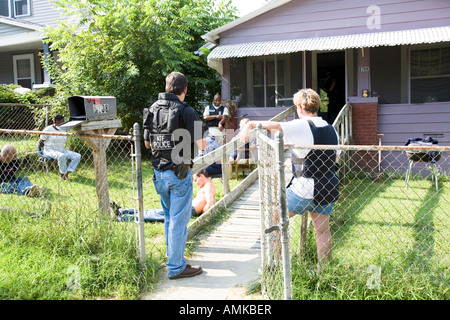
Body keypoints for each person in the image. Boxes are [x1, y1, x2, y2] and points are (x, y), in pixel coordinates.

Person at [240, 88, 340, 271]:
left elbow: (276, 127)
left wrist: (249, 123)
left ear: (300, 107)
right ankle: (323, 272)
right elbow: (334, 158)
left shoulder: (302, 125)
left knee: (274, 217)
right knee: (323, 230)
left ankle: (276, 265)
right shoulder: (330, 127)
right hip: (329, 187)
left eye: (296, 106)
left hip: (306, 189)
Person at [143, 71, 204, 280]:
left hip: (158, 174)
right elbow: (201, 144)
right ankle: (176, 267)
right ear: (184, 90)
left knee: (170, 218)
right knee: (178, 221)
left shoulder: (152, 109)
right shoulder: (187, 111)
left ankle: (173, 257)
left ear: (167, 87)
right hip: (179, 175)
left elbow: (147, 144)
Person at [111, 170, 216, 222]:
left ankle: (124, 217)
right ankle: (123, 211)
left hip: (189, 210)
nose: (196, 183)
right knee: (158, 212)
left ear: (202, 176)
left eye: (196, 180)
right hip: (188, 208)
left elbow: (210, 204)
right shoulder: (208, 186)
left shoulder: (208, 186)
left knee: (160, 216)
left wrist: (202, 213)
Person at [39, 114, 81, 180]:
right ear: (57, 121)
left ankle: (66, 173)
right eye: (62, 121)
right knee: (61, 156)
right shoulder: (48, 129)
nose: (64, 122)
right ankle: (62, 175)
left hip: (61, 150)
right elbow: (41, 141)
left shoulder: (63, 129)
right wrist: (43, 149)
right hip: (49, 150)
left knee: (77, 156)